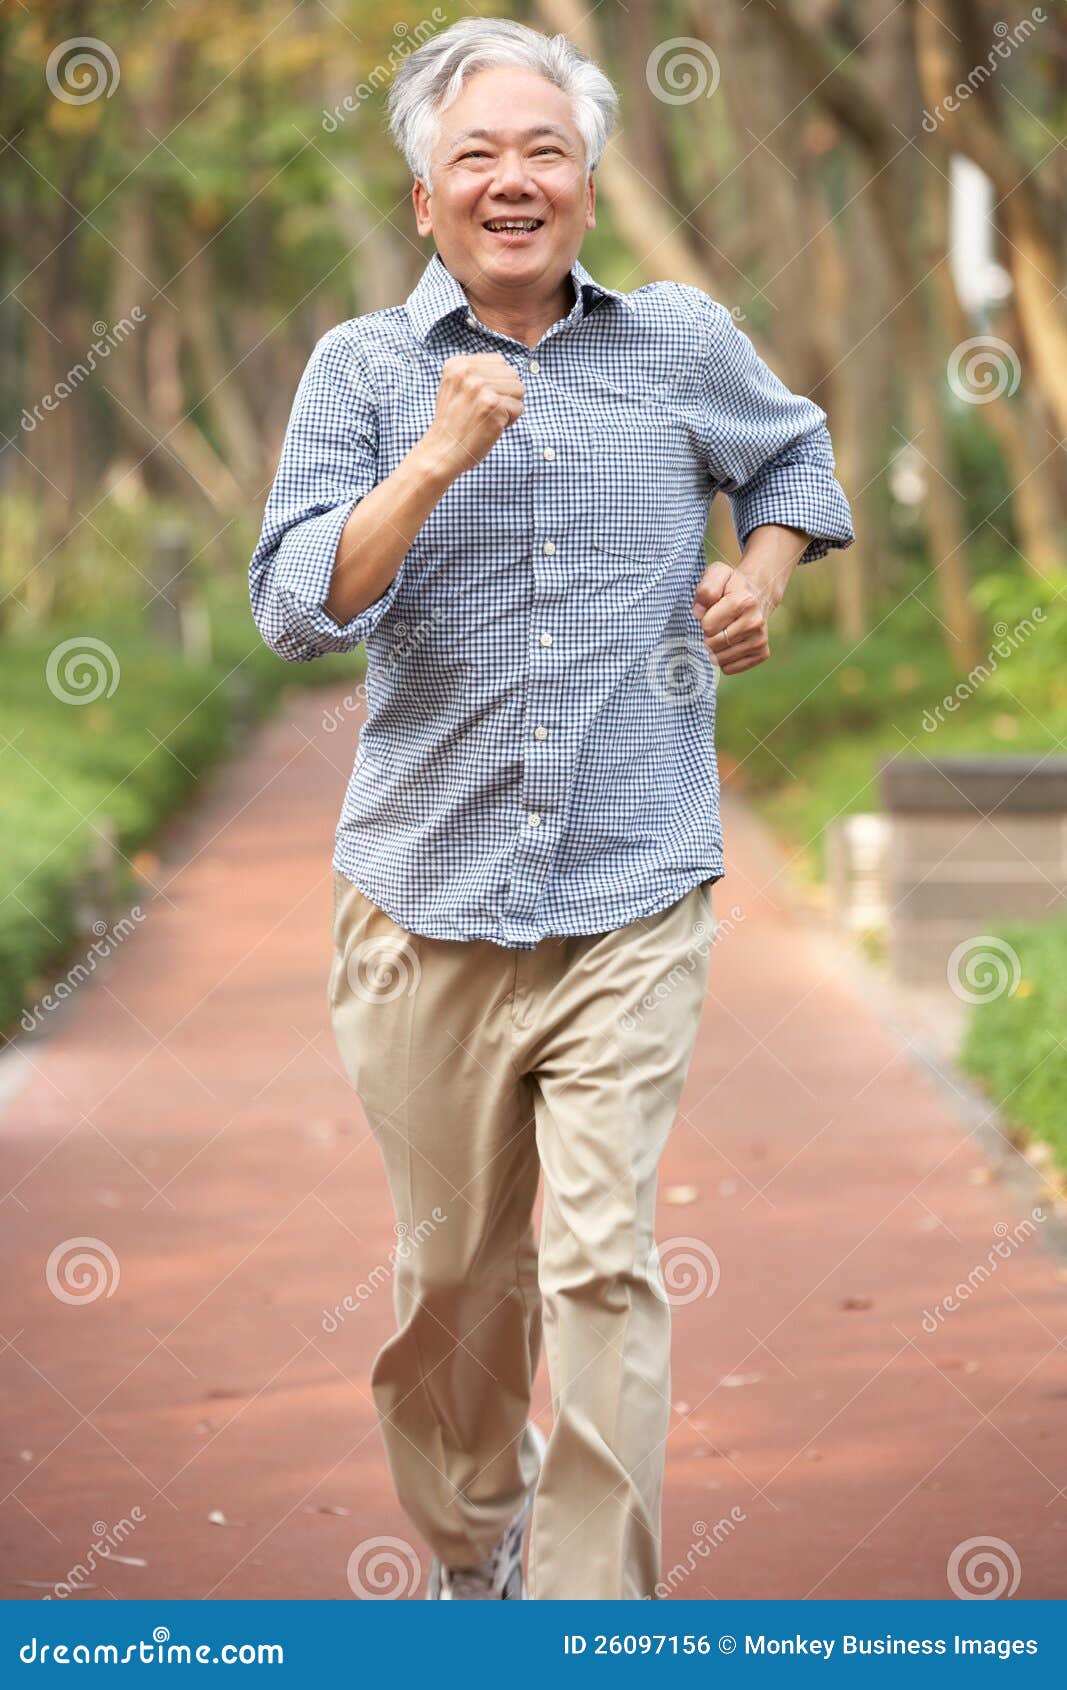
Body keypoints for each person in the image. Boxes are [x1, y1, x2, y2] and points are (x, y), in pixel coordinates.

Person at [248, 16, 855, 1601]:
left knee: (601, 1260)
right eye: (478, 155)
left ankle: (590, 1622)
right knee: (456, 1285)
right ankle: (478, 1548)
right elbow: (297, 610)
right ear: (425, 195)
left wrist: (759, 580)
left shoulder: (680, 341)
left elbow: (795, 455)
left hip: (631, 884)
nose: (513, 179)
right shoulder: (364, 372)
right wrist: (433, 461)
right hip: (420, 898)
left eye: (546, 153)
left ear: (588, 182)